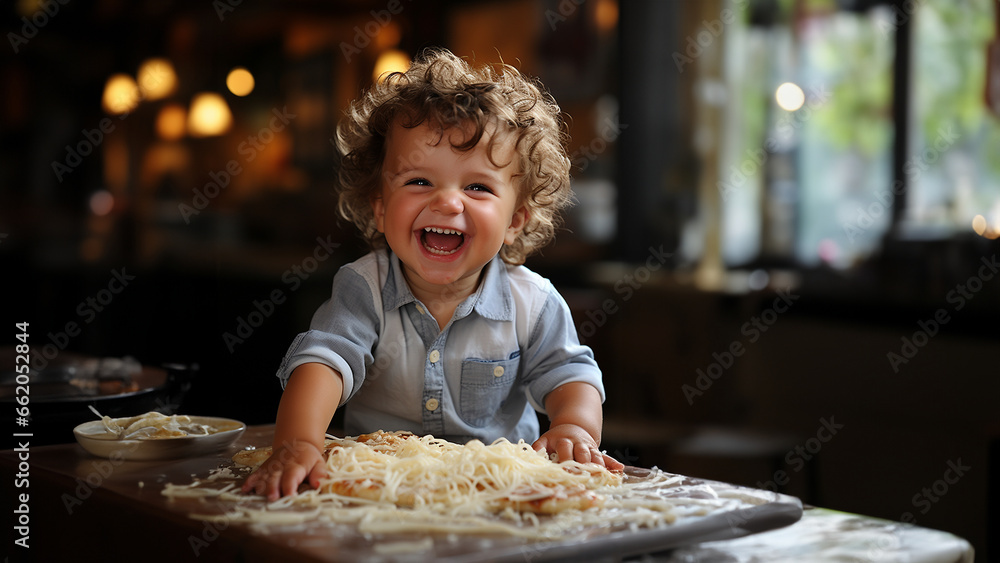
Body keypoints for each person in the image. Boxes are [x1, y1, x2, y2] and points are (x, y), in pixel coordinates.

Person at [243, 48, 623, 500]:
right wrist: (298, 443)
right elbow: (324, 363)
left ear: (515, 219)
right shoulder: (364, 286)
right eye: (419, 181)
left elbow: (569, 374)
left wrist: (575, 428)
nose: (447, 202)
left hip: (500, 493)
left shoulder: (533, 302)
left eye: (477, 187)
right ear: (380, 208)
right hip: (382, 490)